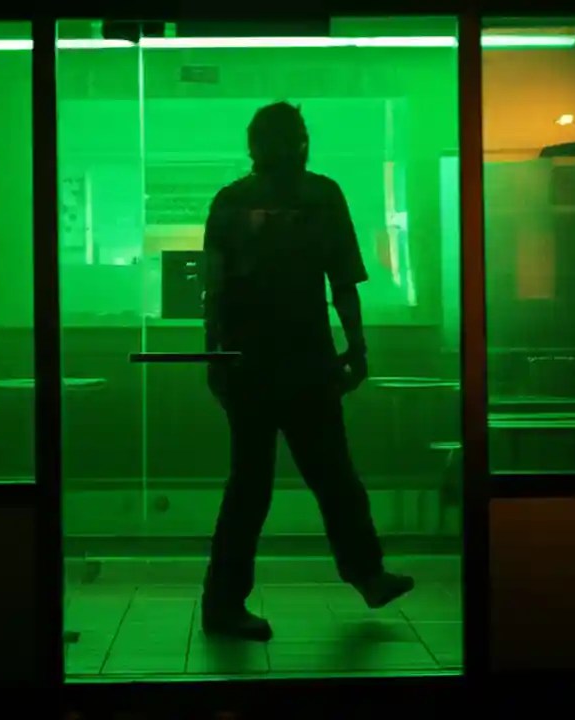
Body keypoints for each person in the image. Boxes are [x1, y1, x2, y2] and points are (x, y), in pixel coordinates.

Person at [200, 102, 415, 642]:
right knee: (333, 476)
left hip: (252, 364)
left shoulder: (231, 202)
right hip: (306, 360)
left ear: (254, 147)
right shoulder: (322, 196)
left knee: (252, 487)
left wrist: (216, 360)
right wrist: (357, 345)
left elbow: (215, 292)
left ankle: (224, 602)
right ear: (301, 144)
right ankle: (365, 573)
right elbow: (343, 279)